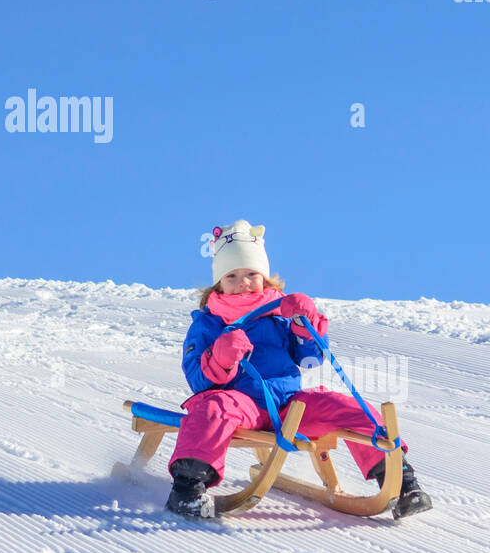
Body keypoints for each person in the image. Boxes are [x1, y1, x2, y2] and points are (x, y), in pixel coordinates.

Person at [167, 219, 432, 522]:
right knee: (212, 410)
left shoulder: (279, 313)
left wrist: (305, 326)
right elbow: (197, 380)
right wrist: (221, 358)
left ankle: (400, 481)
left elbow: (310, 360)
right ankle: (187, 490)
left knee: (346, 406)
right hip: (238, 401)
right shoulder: (208, 323)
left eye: (252, 274)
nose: (244, 282)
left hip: (288, 404)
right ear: (218, 283)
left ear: (265, 277)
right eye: (233, 276)